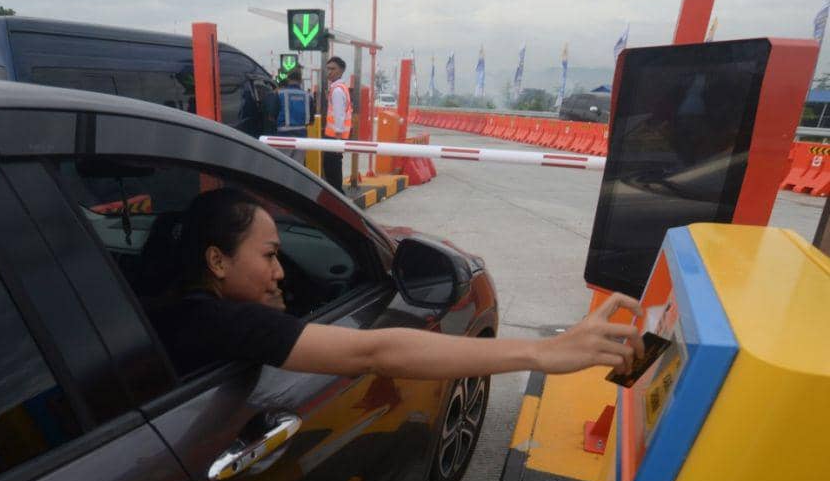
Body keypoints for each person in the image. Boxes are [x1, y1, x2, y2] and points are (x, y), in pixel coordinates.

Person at [151, 188, 645, 379]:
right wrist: (540, 353)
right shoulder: (219, 321)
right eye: (270, 256)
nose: (281, 272)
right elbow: (376, 352)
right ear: (217, 260)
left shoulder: (171, 311)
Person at [263, 69, 313, 165]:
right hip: (302, 136)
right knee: (298, 166)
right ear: (300, 80)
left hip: (283, 136)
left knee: (283, 165)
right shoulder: (308, 96)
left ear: (288, 79)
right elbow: (311, 121)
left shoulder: (280, 94)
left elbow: (271, 116)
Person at [322, 56, 352, 193]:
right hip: (335, 136)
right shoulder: (338, 88)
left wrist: (338, 139)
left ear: (341, 71)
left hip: (335, 136)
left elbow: (339, 115)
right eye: (328, 69)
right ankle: (337, 194)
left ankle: (338, 195)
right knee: (333, 167)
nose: (329, 72)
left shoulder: (338, 90)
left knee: (331, 168)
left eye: (333, 69)